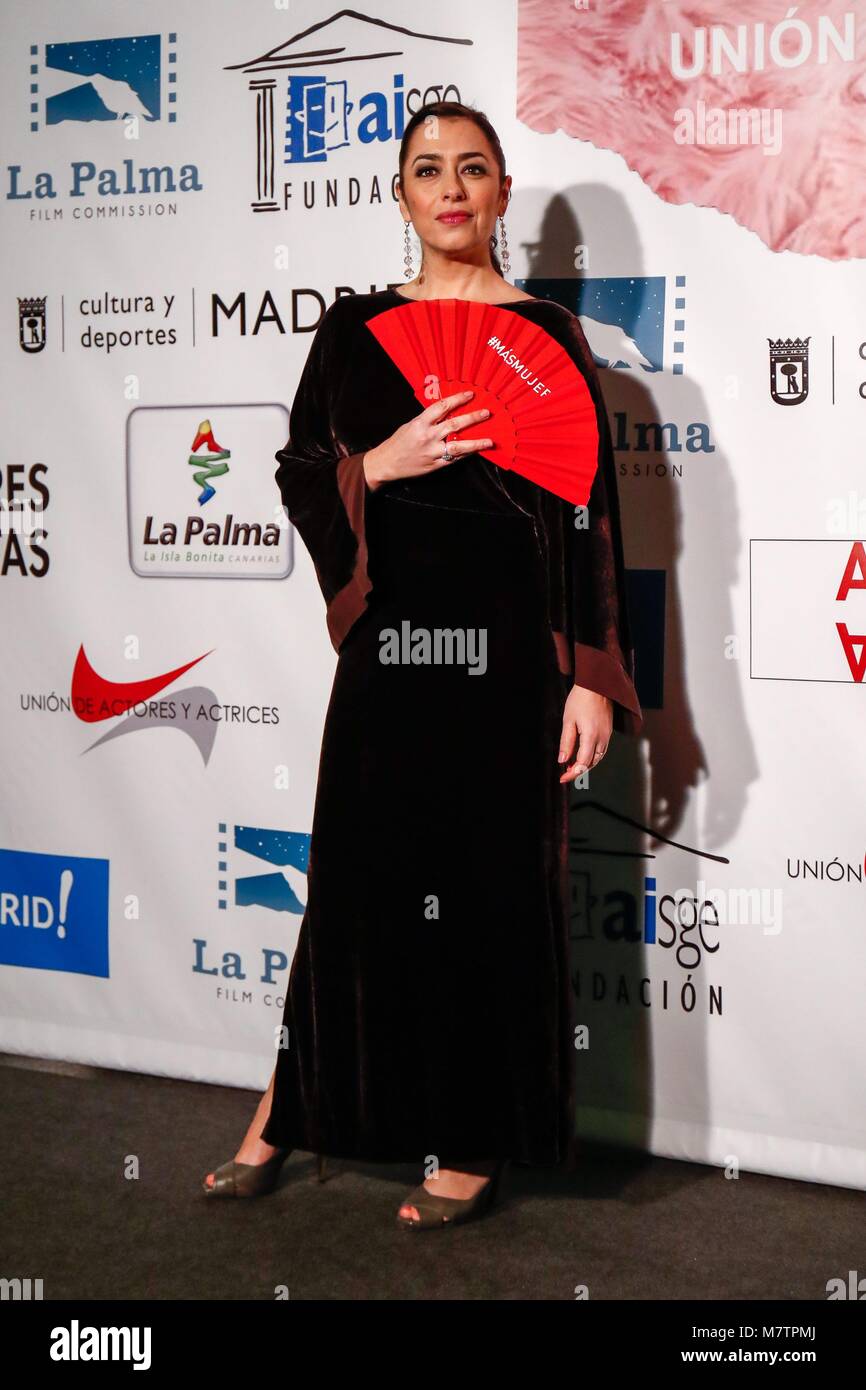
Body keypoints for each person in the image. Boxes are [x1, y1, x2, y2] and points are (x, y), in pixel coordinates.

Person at [203, 101, 642, 1229]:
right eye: (428, 170)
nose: (451, 188)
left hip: (509, 664)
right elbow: (302, 470)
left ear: (500, 192)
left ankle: (473, 1137)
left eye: (474, 169)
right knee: (353, 888)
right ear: (399, 195)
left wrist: (590, 671)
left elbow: (590, 519)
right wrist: (377, 468)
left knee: (492, 896)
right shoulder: (352, 330)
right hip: (393, 652)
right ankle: (282, 1110)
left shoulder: (547, 339)